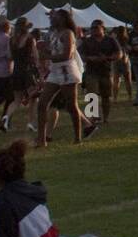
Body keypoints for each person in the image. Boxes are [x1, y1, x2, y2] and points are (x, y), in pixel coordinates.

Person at [35, 8, 97, 147]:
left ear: (62, 19)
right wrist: (43, 50)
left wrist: (48, 56)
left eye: (54, 17)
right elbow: (53, 50)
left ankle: (77, 137)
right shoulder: (55, 34)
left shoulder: (68, 33)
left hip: (67, 71)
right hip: (55, 71)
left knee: (71, 106)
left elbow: (66, 55)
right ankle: (41, 139)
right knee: (42, 104)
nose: (51, 19)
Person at [80, 19, 122, 124]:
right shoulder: (87, 41)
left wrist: (108, 58)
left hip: (106, 71)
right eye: (92, 28)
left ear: (103, 29)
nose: (94, 30)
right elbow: (79, 54)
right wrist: (89, 58)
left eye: (96, 28)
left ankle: (105, 118)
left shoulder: (110, 40)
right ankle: (94, 117)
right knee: (92, 95)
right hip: (91, 71)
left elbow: (119, 53)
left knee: (106, 96)